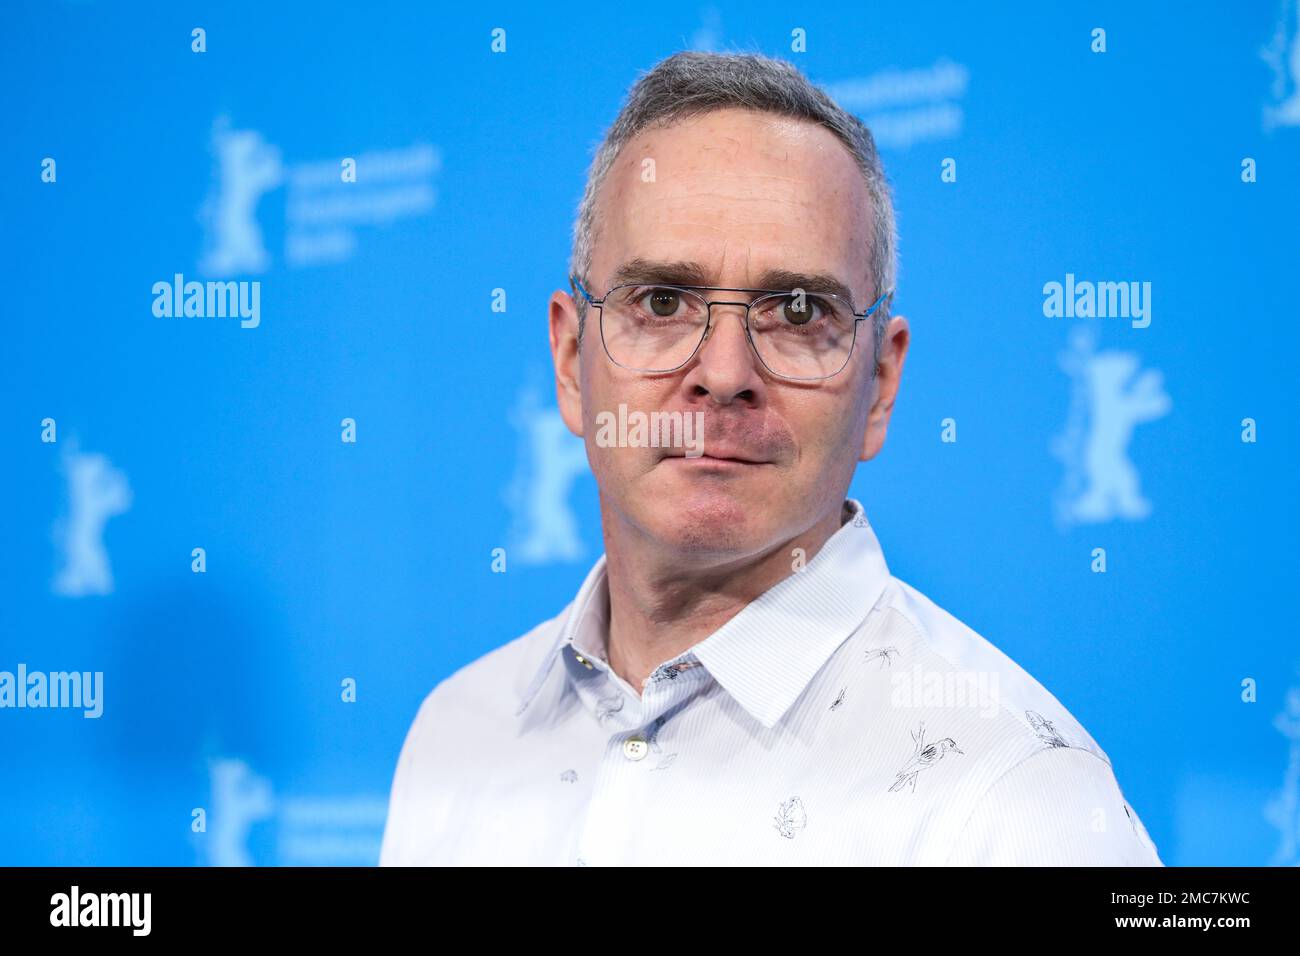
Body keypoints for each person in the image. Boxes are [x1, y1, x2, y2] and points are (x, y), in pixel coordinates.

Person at [378, 50, 1163, 866]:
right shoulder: (456, 736)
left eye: (796, 311)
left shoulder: (1016, 803)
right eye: (661, 302)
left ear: (881, 384)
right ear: (573, 360)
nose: (723, 375)